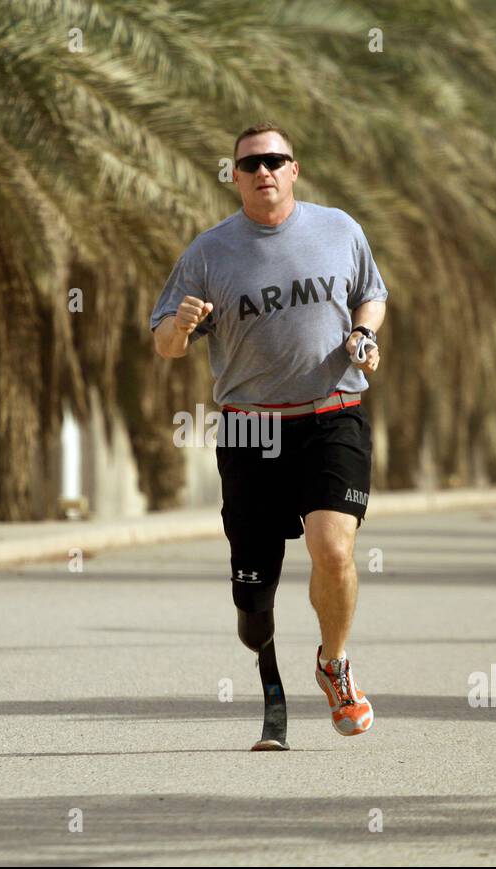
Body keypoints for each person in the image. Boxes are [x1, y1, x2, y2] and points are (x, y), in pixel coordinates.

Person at [151, 122, 388, 750]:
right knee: (253, 602)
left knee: (334, 548)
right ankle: (265, 656)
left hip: (333, 412)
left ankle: (334, 665)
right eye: (250, 164)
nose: (264, 171)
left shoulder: (339, 229)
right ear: (234, 176)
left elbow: (372, 295)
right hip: (252, 428)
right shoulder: (208, 253)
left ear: (294, 169)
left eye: (275, 160)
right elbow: (166, 347)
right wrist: (181, 324)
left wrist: (364, 336)